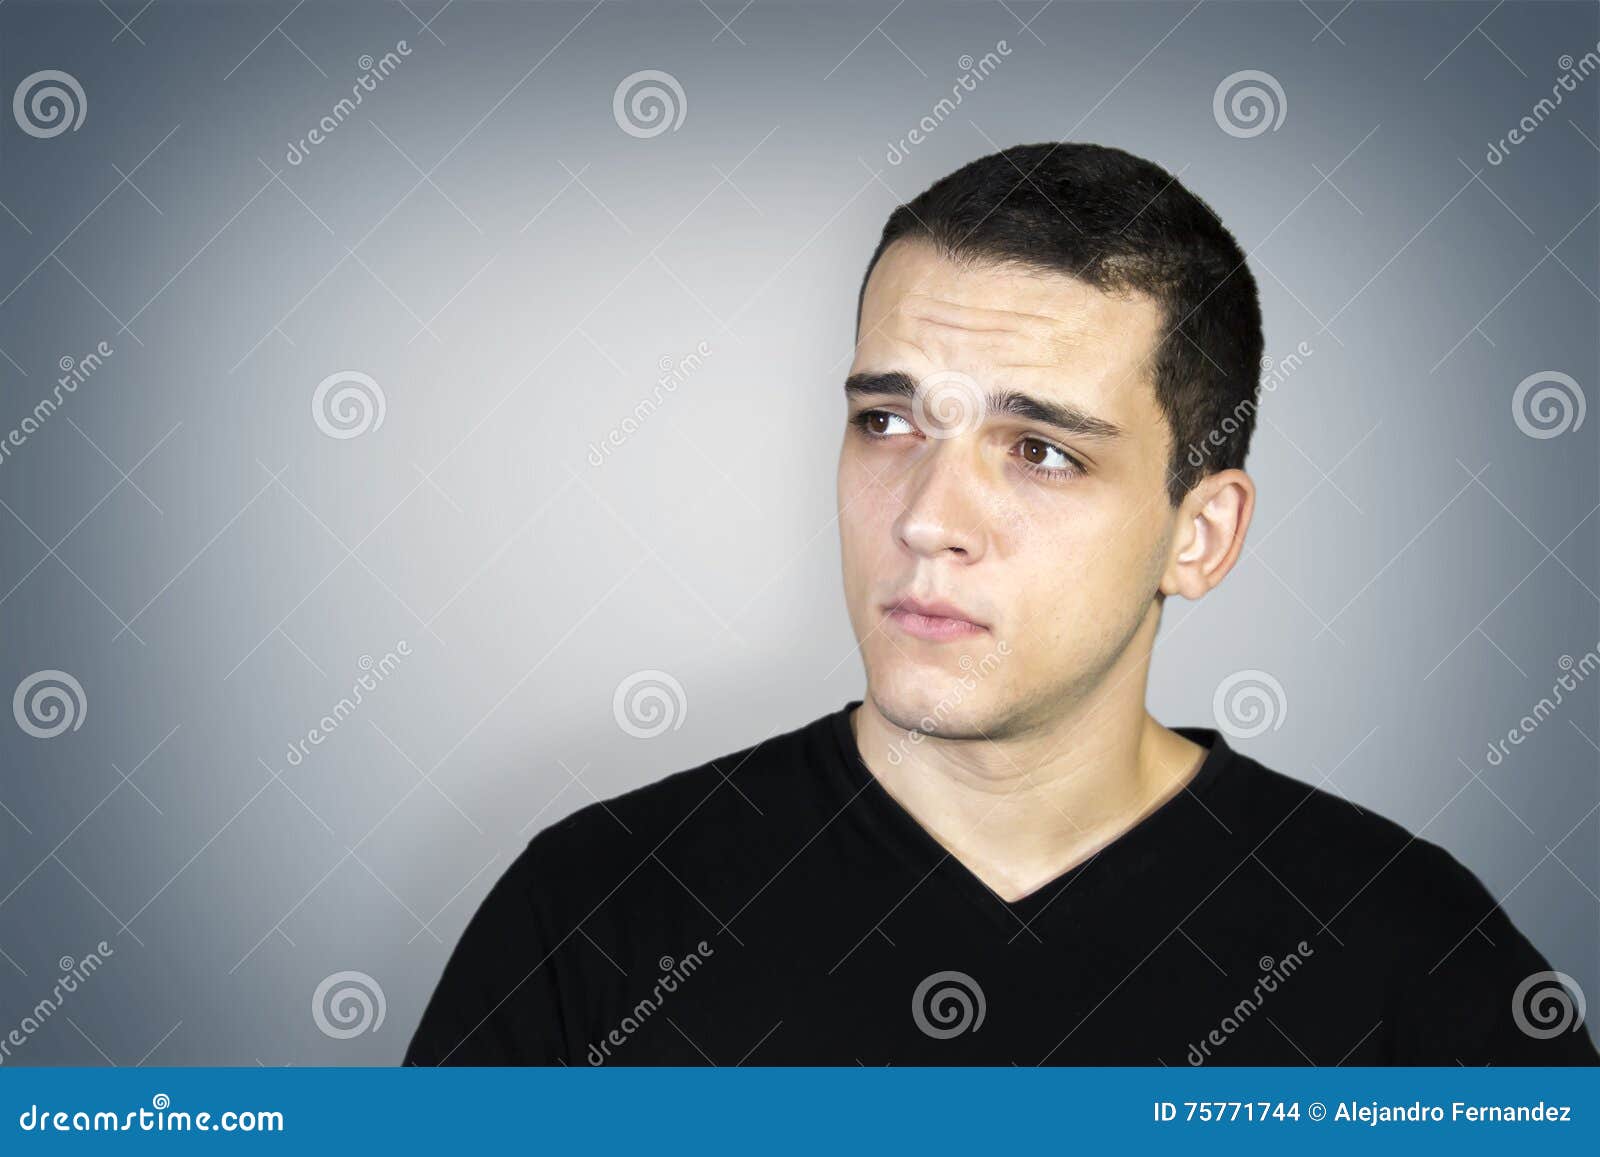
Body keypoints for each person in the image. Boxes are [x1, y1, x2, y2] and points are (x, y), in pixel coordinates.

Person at [405, 142, 1597, 1066]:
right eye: (887, 421)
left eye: (1040, 450)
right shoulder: (598, 912)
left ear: (1200, 532)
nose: (928, 515)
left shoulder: (1404, 951)